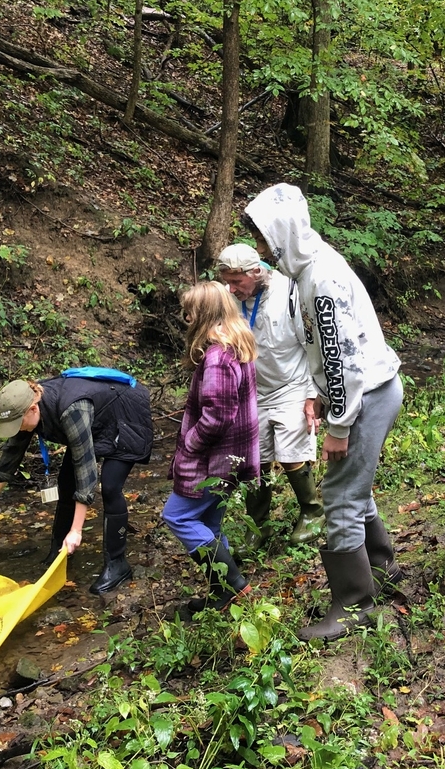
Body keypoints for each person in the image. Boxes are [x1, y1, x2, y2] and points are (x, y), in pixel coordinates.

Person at [243, 183, 404, 641]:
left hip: (368, 394)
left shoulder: (322, 279)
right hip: (363, 391)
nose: (261, 249)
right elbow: (320, 349)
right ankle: (382, 570)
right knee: (352, 487)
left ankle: (354, 606)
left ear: (283, 232)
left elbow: (342, 359)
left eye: (263, 238)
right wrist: (317, 394)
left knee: (339, 496)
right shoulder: (304, 272)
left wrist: (339, 424)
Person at [0, 371, 153, 596]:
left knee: (110, 486)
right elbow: (11, 457)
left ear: (33, 410)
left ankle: (117, 565)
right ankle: (59, 550)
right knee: (66, 482)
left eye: (18, 423)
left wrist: (77, 530)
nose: (17, 428)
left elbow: (85, 468)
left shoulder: (72, 409)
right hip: (94, 419)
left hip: (125, 414)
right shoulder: (26, 405)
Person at [215, 243, 324, 555]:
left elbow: (312, 345)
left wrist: (312, 395)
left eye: (237, 282)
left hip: (292, 384)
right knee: (255, 459)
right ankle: (258, 525)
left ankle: (313, 511)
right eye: (227, 282)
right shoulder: (230, 299)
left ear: (256, 272)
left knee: (290, 453)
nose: (232, 289)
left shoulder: (289, 292)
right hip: (252, 390)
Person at [160, 281, 260, 615]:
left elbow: (218, 416)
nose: (186, 318)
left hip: (214, 460)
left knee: (177, 516)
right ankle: (222, 593)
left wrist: (190, 444)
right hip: (235, 456)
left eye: (190, 311)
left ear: (204, 313)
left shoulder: (218, 355)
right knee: (209, 523)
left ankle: (235, 585)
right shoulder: (237, 343)